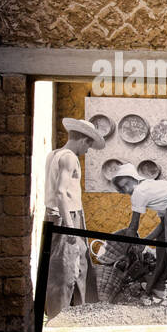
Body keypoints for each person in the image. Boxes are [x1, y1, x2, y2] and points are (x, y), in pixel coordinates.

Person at [110, 164, 167, 309]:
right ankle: (158, 292)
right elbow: (163, 225)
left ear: (134, 179)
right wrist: (144, 242)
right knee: (163, 247)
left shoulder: (139, 191)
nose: (125, 191)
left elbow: (133, 227)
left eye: (126, 185)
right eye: (122, 188)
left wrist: (125, 252)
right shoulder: (153, 188)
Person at [43, 117, 104, 320]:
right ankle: (60, 316)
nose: (87, 151)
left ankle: (77, 310)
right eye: (89, 146)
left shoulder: (53, 154)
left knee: (76, 263)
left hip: (62, 215)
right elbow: (60, 193)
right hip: (66, 216)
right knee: (66, 268)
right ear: (83, 140)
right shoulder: (69, 157)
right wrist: (69, 227)